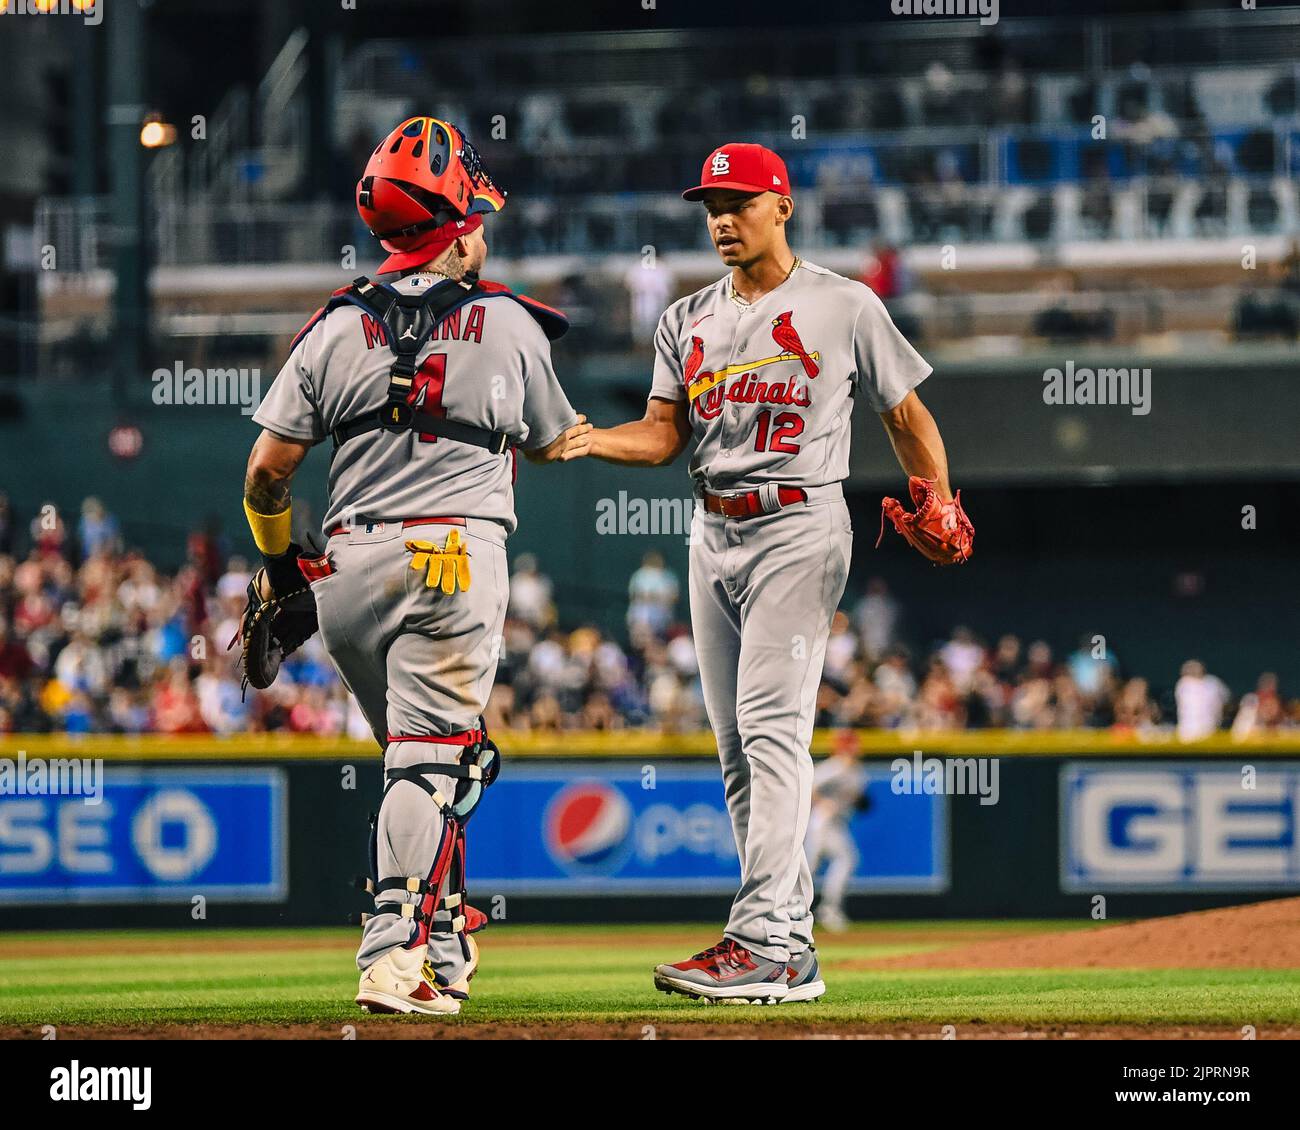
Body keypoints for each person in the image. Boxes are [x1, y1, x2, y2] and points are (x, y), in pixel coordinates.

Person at [564, 142, 972, 1003]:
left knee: (768, 724)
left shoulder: (843, 304)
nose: (721, 217)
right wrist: (593, 437)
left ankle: (764, 940)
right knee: (737, 751)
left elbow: (905, 412)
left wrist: (934, 493)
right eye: (710, 204)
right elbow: (662, 435)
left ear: (782, 206)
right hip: (711, 530)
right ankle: (784, 944)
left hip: (800, 521)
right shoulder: (685, 318)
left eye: (739, 201)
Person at [240, 117, 591, 1018]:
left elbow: (267, 474)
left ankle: (443, 937)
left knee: (438, 761)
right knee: (430, 765)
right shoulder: (510, 322)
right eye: (475, 213)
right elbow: (555, 444)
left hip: (346, 570)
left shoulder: (333, 325)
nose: (484, 227)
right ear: (452, 223)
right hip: (451, 554)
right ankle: (391, 953)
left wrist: (281, 572)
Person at [805, 730, 869, 932]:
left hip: (837, 824)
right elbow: (808, 785)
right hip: (821, 821)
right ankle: (817, 910)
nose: (853, 749)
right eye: (849, 745)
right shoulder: (834, 767)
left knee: (840, 861)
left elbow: (860, 801)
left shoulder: (858, 773)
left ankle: (825, 909)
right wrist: (823, 802)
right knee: (811, 868)